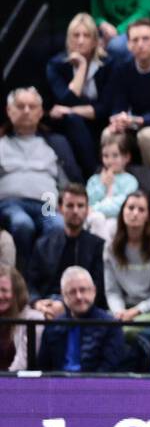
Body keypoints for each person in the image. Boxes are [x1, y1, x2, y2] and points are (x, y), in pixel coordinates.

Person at [0, 87, 82, 272]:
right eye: (20, 106)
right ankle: (22, 280)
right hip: (11, 203)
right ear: (8, 110)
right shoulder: (1, 143)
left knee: (57, 225)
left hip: (47, 201)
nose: (27, 111)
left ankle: (44, 280)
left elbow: (68, 182)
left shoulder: (56, 143)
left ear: (40, 111)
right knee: (22, 224)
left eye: (32, 106)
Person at [100, 19, 150, 171]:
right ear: (129, 45)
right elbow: (119, 104)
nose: (140, 44)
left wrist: (135, 120)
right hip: (136, 123)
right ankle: (114, 182)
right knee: (108, 133)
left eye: (145, 39)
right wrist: (118, 119)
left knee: (146, 136)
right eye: (135, 40)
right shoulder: (123, 69)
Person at [44, 13, 109, 177]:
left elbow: (104, 108)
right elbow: (66, 99)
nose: (80, 41)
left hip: (99, 123)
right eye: (76, 35)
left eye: (86, 35)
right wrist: (81, 67)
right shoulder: (56, 65)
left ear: (95, 40)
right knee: (73, 121)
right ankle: (93, 174)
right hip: (67, 124)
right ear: (68, 39)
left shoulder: (109, 65)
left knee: (75, 118)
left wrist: (71, 110)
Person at [103, 191, 150, 334]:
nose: (135, 213)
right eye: (130, 208)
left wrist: (136, 311)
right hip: (121, 309)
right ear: (122, 212)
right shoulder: (110, 247)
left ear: (148, 216)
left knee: (125, 332)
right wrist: (119, 312)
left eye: (141, 209)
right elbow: (112, 291)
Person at [27, 184, 106, 312]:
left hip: (84, 306)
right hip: (47, 305)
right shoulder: (43, 244)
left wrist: (65, 306)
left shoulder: (98, 246)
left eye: (80, 206)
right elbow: (31, 283)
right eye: (70, 205)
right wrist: (37, 302)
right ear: (60, 209)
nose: (75, 211)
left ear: (87, 210)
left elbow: (99, 288)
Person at [35, 266, 128, 372]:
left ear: (94, 291)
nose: (79, 296)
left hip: (95, 385)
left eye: (83, 290)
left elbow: (110, 369)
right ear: (63, 295)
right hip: (58, 384)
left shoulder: (111, 326)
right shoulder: (52, 327)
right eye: (72, 292)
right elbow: (43, 369)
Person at [84, 134, 138, 241]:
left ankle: (104, 255)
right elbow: (88, 201)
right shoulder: (94, 180)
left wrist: (95, 208)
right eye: (105, 156)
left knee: (106, 223)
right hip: (92, 219)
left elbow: (120, 206)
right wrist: (102, 185)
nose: (110, 161)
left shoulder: (130, 181)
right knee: (96, 219)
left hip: (116, 219)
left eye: (115, 155)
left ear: (126, 157)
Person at [0, 265, 42, 371]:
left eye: (4, 290)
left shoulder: (33, 319)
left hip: (16, 384)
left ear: (16, 292)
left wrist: (4, 383)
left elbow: (22, 363)